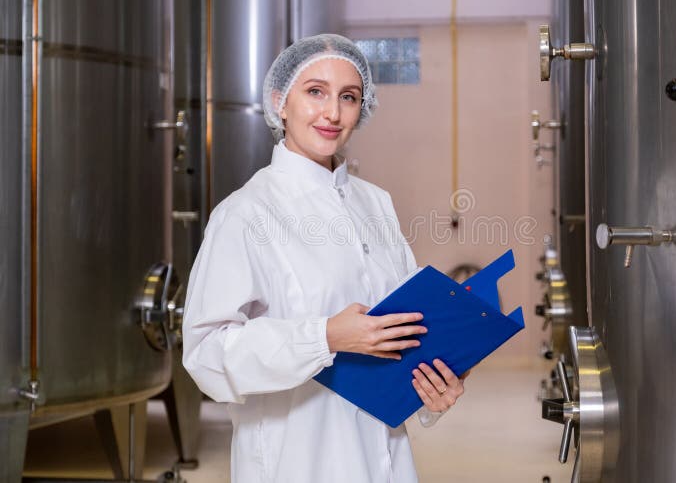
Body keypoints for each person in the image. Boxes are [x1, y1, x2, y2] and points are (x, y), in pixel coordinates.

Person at [182, 34, 467, 482]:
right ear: (280, 102)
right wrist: (324, 338)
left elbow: (409, 327)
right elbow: (206, 355)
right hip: (296, 462)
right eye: (315, 92)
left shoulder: (375, 203)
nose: (333, 113)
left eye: (348, 97)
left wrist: (432, 392)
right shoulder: (246, 213)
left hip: (386, 460)